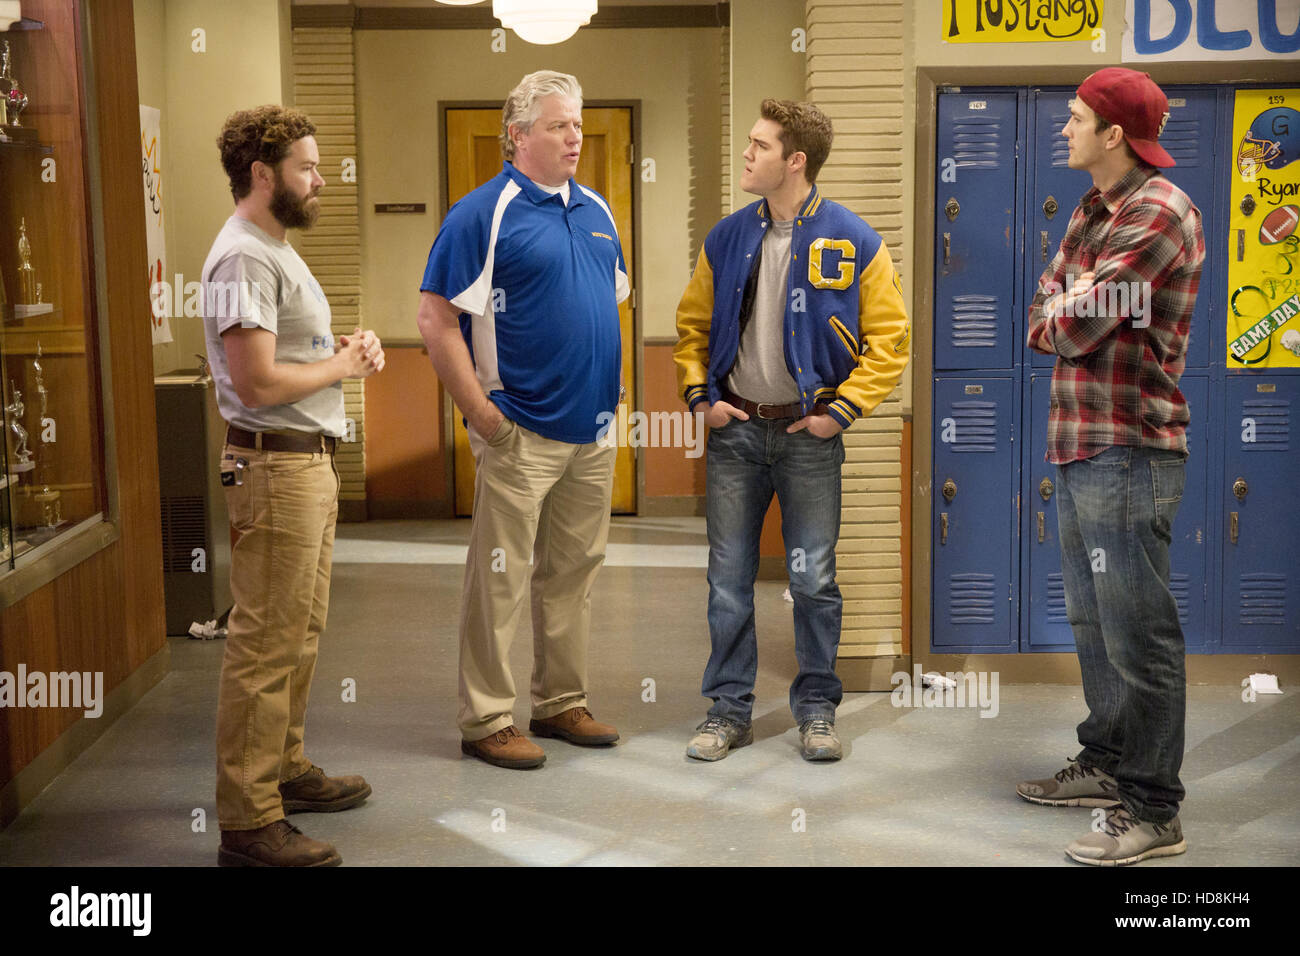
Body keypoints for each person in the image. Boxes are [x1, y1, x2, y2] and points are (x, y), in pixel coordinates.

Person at [674, 99, 910, 762]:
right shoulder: (726, 238)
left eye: (759, 145)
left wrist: (840, 412)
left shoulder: (856, 239)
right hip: (737, 433)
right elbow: (692, 327)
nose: (747, 154)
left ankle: (815, 709)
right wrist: (702, 400)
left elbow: (890, 340)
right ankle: (728, 708)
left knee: (812, 579)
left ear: (795, 160)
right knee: (728, 579)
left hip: (808, 440)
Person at [416, 71, 628, 770]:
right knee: (501, 576)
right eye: (560, 125)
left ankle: (561, 700)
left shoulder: (597, 208)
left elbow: (611, 302)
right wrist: (480, 413)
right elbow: (435, 318)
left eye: (578, 124)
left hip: (592, 432)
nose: (576, 136)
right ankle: (485, 719)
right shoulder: (482, 213)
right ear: (518, 135)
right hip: (521, 432)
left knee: (573, 571)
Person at [1020, 68, 1205, 865]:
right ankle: (1108, 759)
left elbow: (1074, 326)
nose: (1064, 129)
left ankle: (1154, 808)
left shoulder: (1161, 213)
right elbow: (1043, 313)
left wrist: (1067, 305)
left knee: (1140, 633)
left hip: (1129, 445)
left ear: (1113, 136)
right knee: (1095, 622)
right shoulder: (1095, 210)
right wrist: (1065, 304)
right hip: (1080, 443)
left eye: (1074, 119)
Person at [204, 105, 385, 866]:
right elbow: (256, 378)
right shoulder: (244, 256)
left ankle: (282, 768)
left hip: (302, 460)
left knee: (297, 633)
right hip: (274, 466)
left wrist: (344, 349)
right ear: (261, 174)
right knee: (264, 644)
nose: (319, 181)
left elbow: (290, 355)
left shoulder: (274, 248)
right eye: (307, 168)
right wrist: (341, 369)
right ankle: (249, 818)